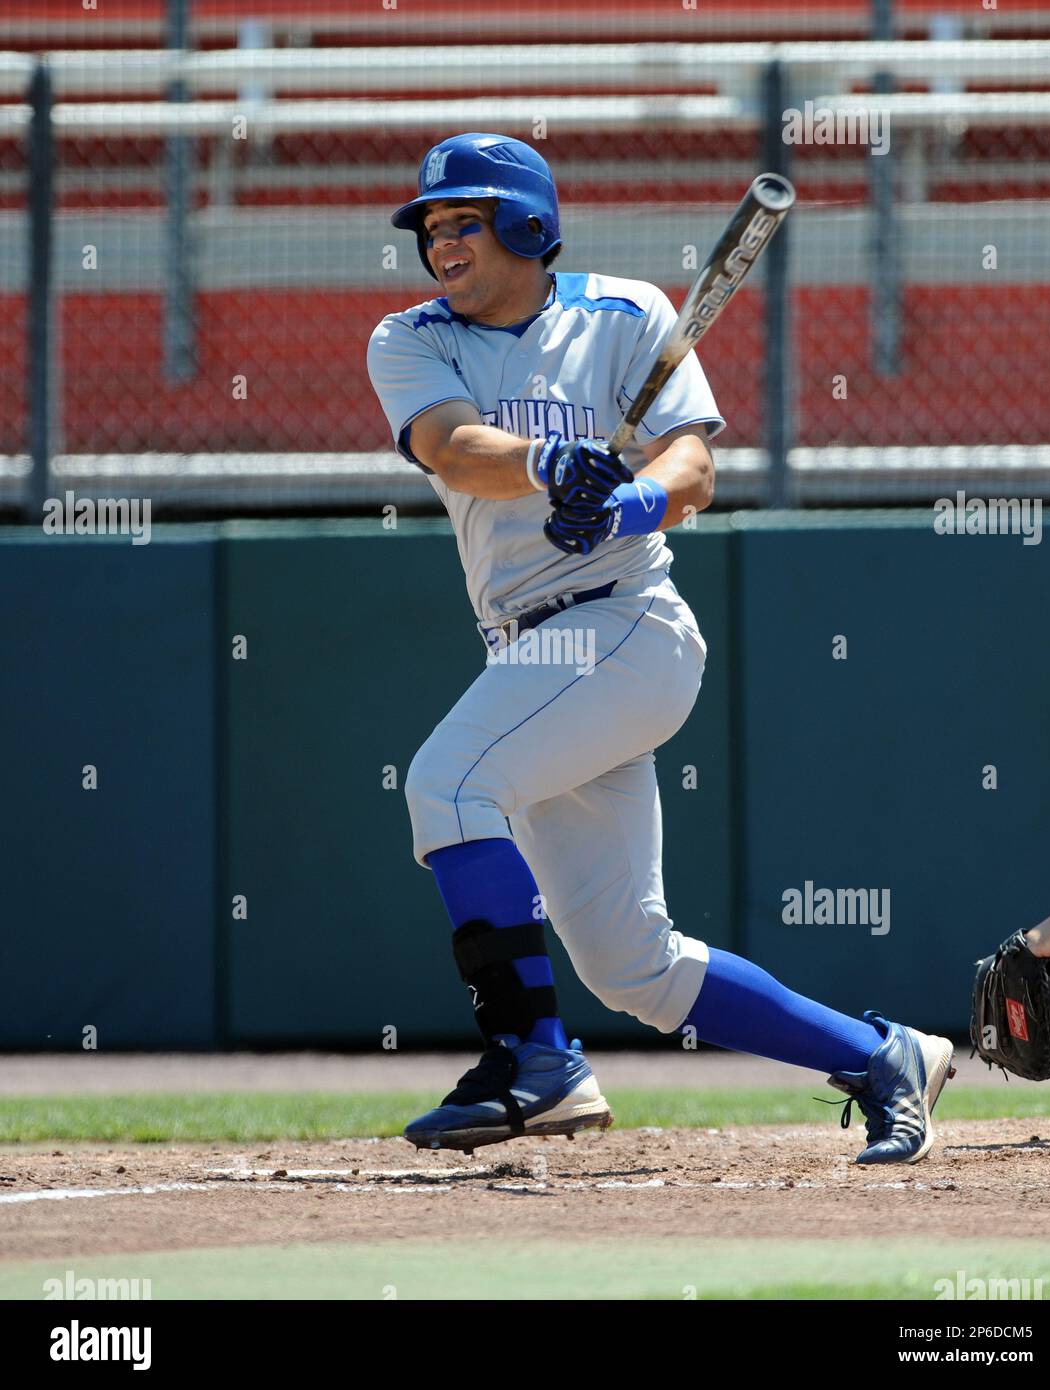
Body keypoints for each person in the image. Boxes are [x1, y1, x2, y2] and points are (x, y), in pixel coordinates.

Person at [366, 132, 955, 1165]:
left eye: (464, 221)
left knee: (448, 784)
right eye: (432, 228)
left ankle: (532, 1059)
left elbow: (692, 466)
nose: (441, 243)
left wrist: (633, 498)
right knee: (633, 967)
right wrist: (553, 459)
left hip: (628, 626)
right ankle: (883, 1054)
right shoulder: (409, 338)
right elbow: (454, 446)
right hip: (528, 652)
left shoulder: (628, 311)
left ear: (526, 225)